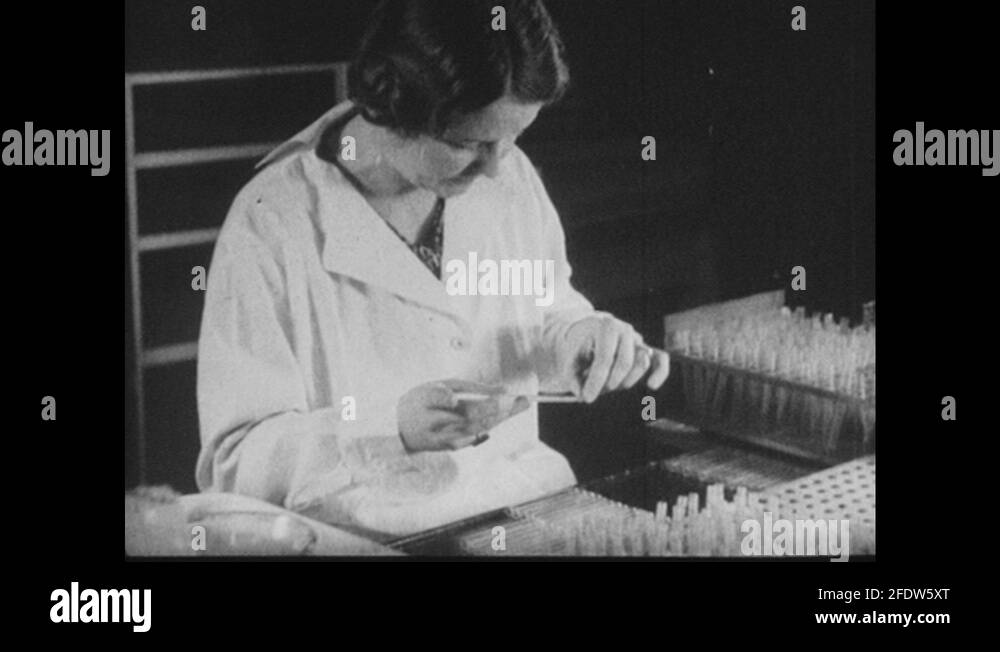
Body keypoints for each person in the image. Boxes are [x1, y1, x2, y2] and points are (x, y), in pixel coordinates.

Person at [196, 0, 669, 538]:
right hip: (371, 540)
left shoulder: (508, 177)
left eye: (513, 138)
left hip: (522, 511)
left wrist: (580, 338)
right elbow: (236, 461)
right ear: (392, 107)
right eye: (467, 143)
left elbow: (545, 312)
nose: (496, 168)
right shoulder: (273, 220)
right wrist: (390, 429)